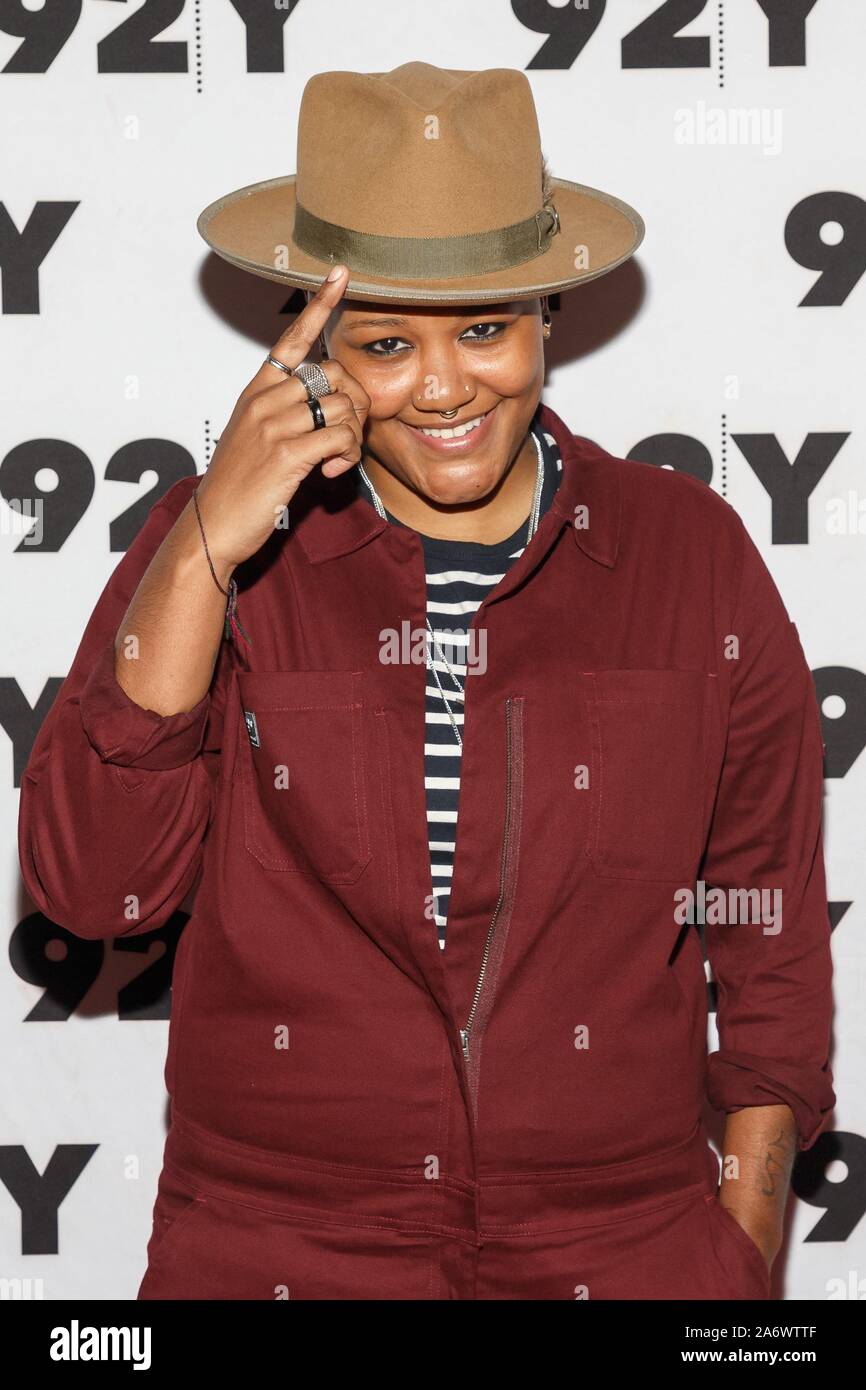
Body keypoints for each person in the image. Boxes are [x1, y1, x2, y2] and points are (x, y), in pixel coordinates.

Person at [18, 61, 834, 1301]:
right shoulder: (217, 552)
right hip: (278, 1245)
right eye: (388, 342)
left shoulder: (687, 555)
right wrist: (204, 542)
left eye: (485, 330)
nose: (445, 389)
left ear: (549, 316)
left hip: (622, 1247)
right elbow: (94, 893)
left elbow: (762, 927)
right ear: (311, 336)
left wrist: (737, 1251)